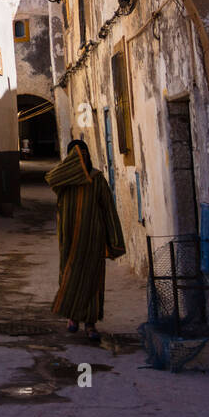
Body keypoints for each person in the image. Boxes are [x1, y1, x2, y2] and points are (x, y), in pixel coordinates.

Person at [46, 139, 126, 342]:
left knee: (92, 281)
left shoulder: (97, 179)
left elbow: (108, 209)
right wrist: (72, 167)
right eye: (77, 155)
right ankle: (72, 318)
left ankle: (90, 323)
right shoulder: (64, 178)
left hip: (93, 240)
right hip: (70, 240)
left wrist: (114, 239)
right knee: (70, 277)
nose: (83, 158)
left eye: (84, 154)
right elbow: (50, 178)